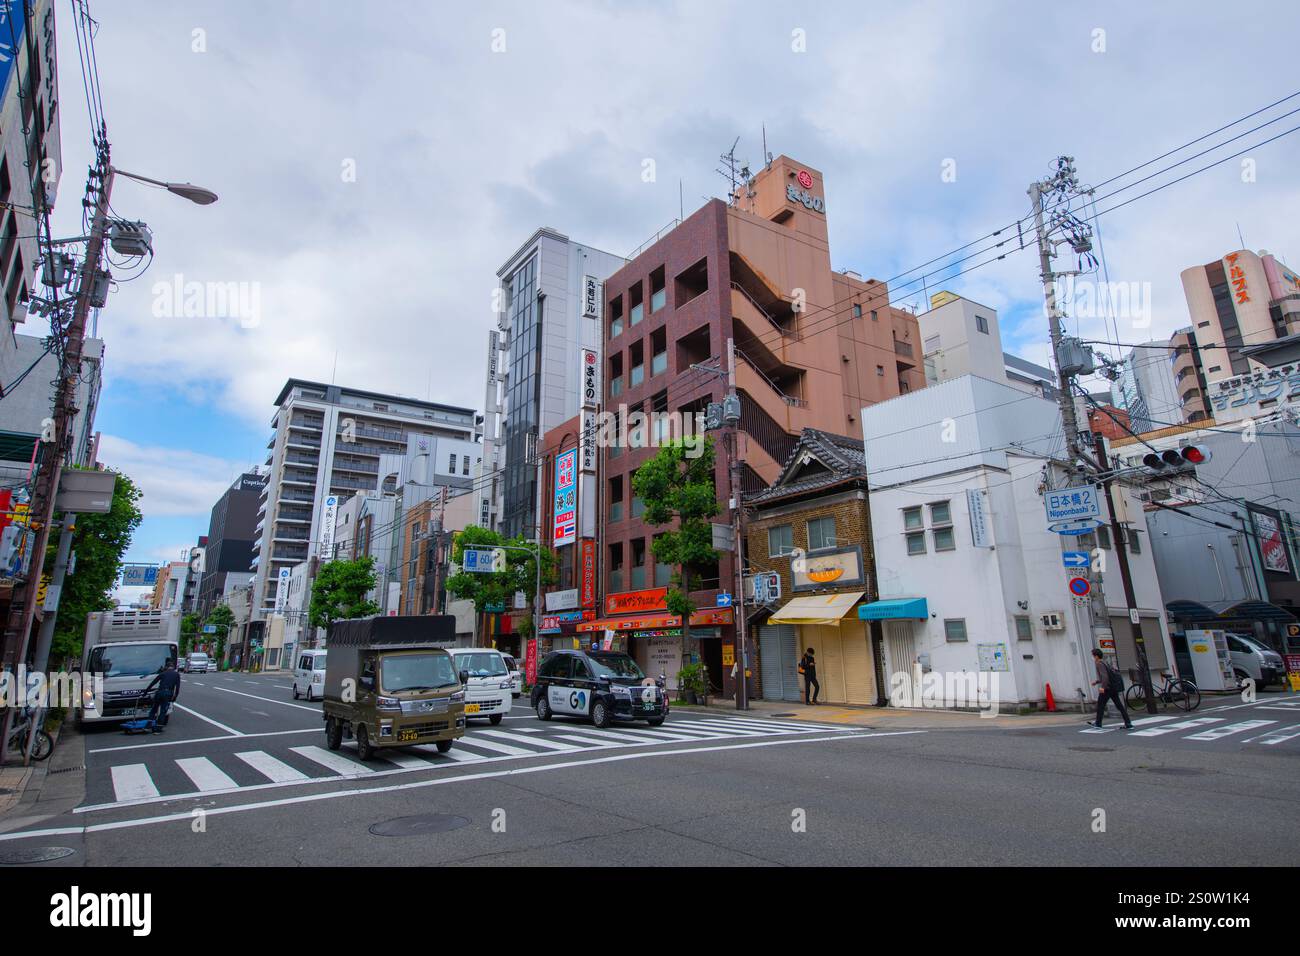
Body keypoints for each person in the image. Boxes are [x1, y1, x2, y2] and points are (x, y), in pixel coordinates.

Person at [1088, 648, 1132, 729]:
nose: (1092, 657)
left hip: (1107, 688)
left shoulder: (1099, 664)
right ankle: (1128, 723)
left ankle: (1098, 723)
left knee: (1100, 705)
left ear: (1096, 656)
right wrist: (1097, 682)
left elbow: (1105, 677)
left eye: (1093, 655)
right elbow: (1106, 676)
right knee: (1119, 705)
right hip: (1113, 687)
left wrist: (1102, 688)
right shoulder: (1105, 662)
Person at [147, 660, 182, 733]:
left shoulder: (163, 673)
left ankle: (148, 726)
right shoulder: (176, 674)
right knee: (163, 711)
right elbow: (177, 687)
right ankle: (158, 729)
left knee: (154, 709)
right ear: (173, 667)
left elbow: (153, 683)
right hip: (168, 693)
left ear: (166, 667)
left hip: (159, 692)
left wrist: (145, 692)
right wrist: (175, 697)